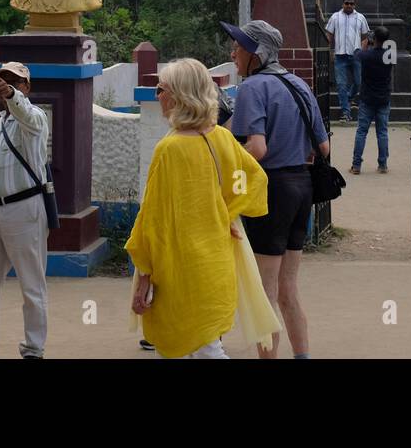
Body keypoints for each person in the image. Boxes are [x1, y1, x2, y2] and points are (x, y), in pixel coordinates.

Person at [126, 58, 269, 359]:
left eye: (161, 89)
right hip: (215, 264)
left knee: (199, 350)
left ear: (179, 96)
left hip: (181, 272)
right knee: (205, 346)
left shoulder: (170, 149)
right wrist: (228, 211)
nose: (157, 96)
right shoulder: (222, 138)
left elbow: (152, 222)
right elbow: (251, 179)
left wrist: (143, 280)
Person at [223, 19, 330, 359]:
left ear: (257, 54)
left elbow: (257, 148)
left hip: (270, 190)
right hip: (302, 187)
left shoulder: (253, 88)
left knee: (263, 291)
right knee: (288, 288)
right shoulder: (299, 84)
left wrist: (222, 158)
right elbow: (323, 148)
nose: (233, 51)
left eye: (239, 46)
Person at [0, 62, 51, 359]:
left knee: (31, 284)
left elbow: (25, 111)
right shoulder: (0, 122)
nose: (5, 85)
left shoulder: (35, 118)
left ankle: (33, 350)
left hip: (24, 209)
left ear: (26, 87)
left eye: (14, 81)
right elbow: (4, 164)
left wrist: (13, 95)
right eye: (2, 80)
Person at [351, 26, 395, 174]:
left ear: (374, 39)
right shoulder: (389, 56)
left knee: (362, 131)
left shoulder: (366, 56)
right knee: (382, 132)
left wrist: (363, 46)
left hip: (367, 98)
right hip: (383, 98)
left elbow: (356, 55)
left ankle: (356, 165)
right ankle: (383, 165)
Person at [325, 0, 370, 121]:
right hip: (340, 55)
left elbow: (365, 36)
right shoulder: (335, 17)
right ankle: (345, 112)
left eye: (351, 4)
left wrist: (362, 51)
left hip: (356, 54)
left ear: (354, 5)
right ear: (342, 4)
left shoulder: (360, 17)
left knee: (358, 82)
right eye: (346, 3)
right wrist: (330, 51)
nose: (349, 5)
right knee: (341, 84)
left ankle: (349, 98)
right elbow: (329, 34)